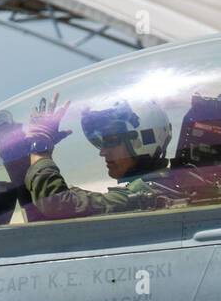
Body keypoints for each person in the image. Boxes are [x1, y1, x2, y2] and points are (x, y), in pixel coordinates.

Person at [23, 92, 181, 219]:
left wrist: (39, 149)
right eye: (101, 143)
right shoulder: (161, 185)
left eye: (112, 141)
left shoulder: (149, 194)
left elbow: (58, 204)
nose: (102, 152)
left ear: (143, 140)